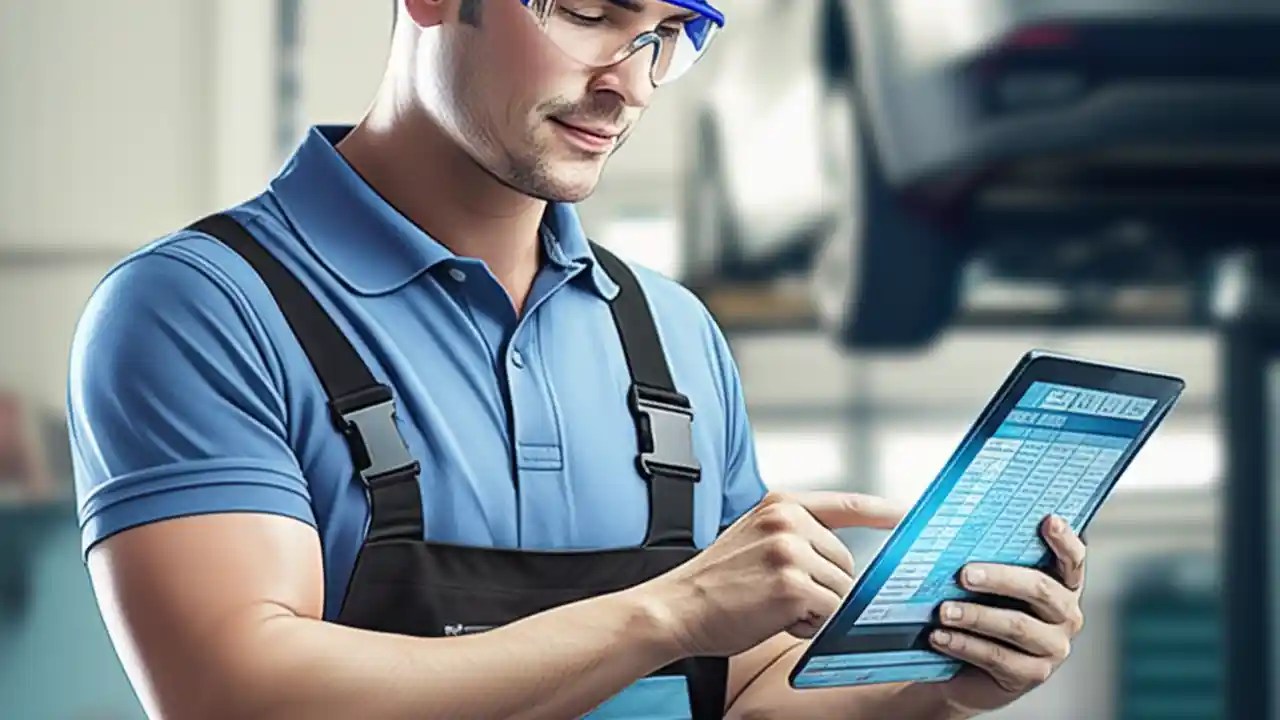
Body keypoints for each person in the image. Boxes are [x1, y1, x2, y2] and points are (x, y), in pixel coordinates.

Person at [67, 1, 1089, 718]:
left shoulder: (671, 334)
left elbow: (733, 689)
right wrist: (669, 609)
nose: (628, 84)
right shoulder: (201, 308)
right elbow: (236, 694)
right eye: (590, 12)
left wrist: (940, 683)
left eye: (666, 36)